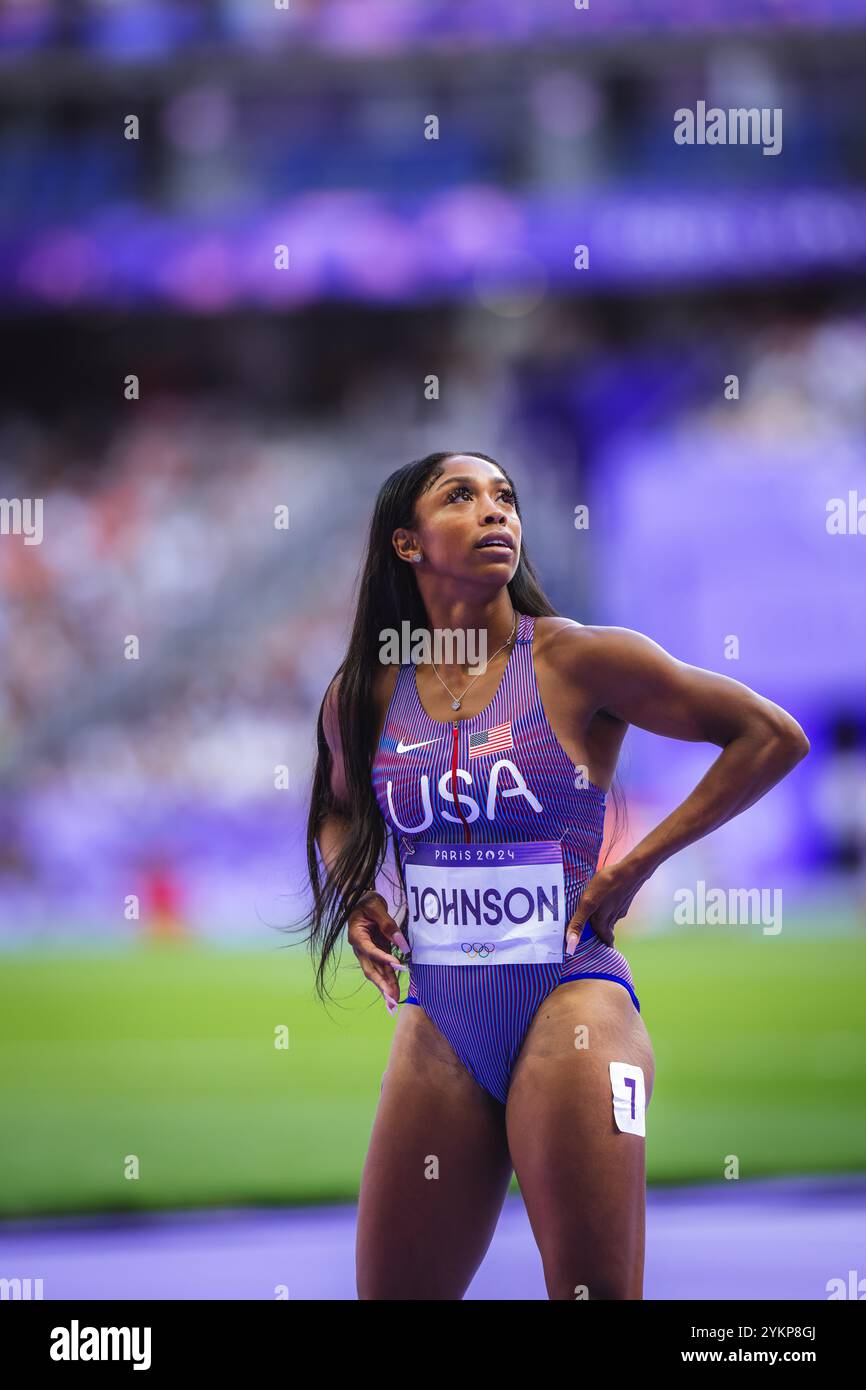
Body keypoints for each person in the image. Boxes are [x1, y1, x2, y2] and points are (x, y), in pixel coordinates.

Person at [301, 450, 809, 1300]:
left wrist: (636, 866)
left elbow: (770, 736)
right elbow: (340, 807)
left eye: (506, 496)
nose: (494, 510)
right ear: (406, 542)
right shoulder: (366, 691)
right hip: (439, 1020)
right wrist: (357, 895)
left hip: (573, 1004)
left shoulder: (580, 660)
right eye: (461, 496)